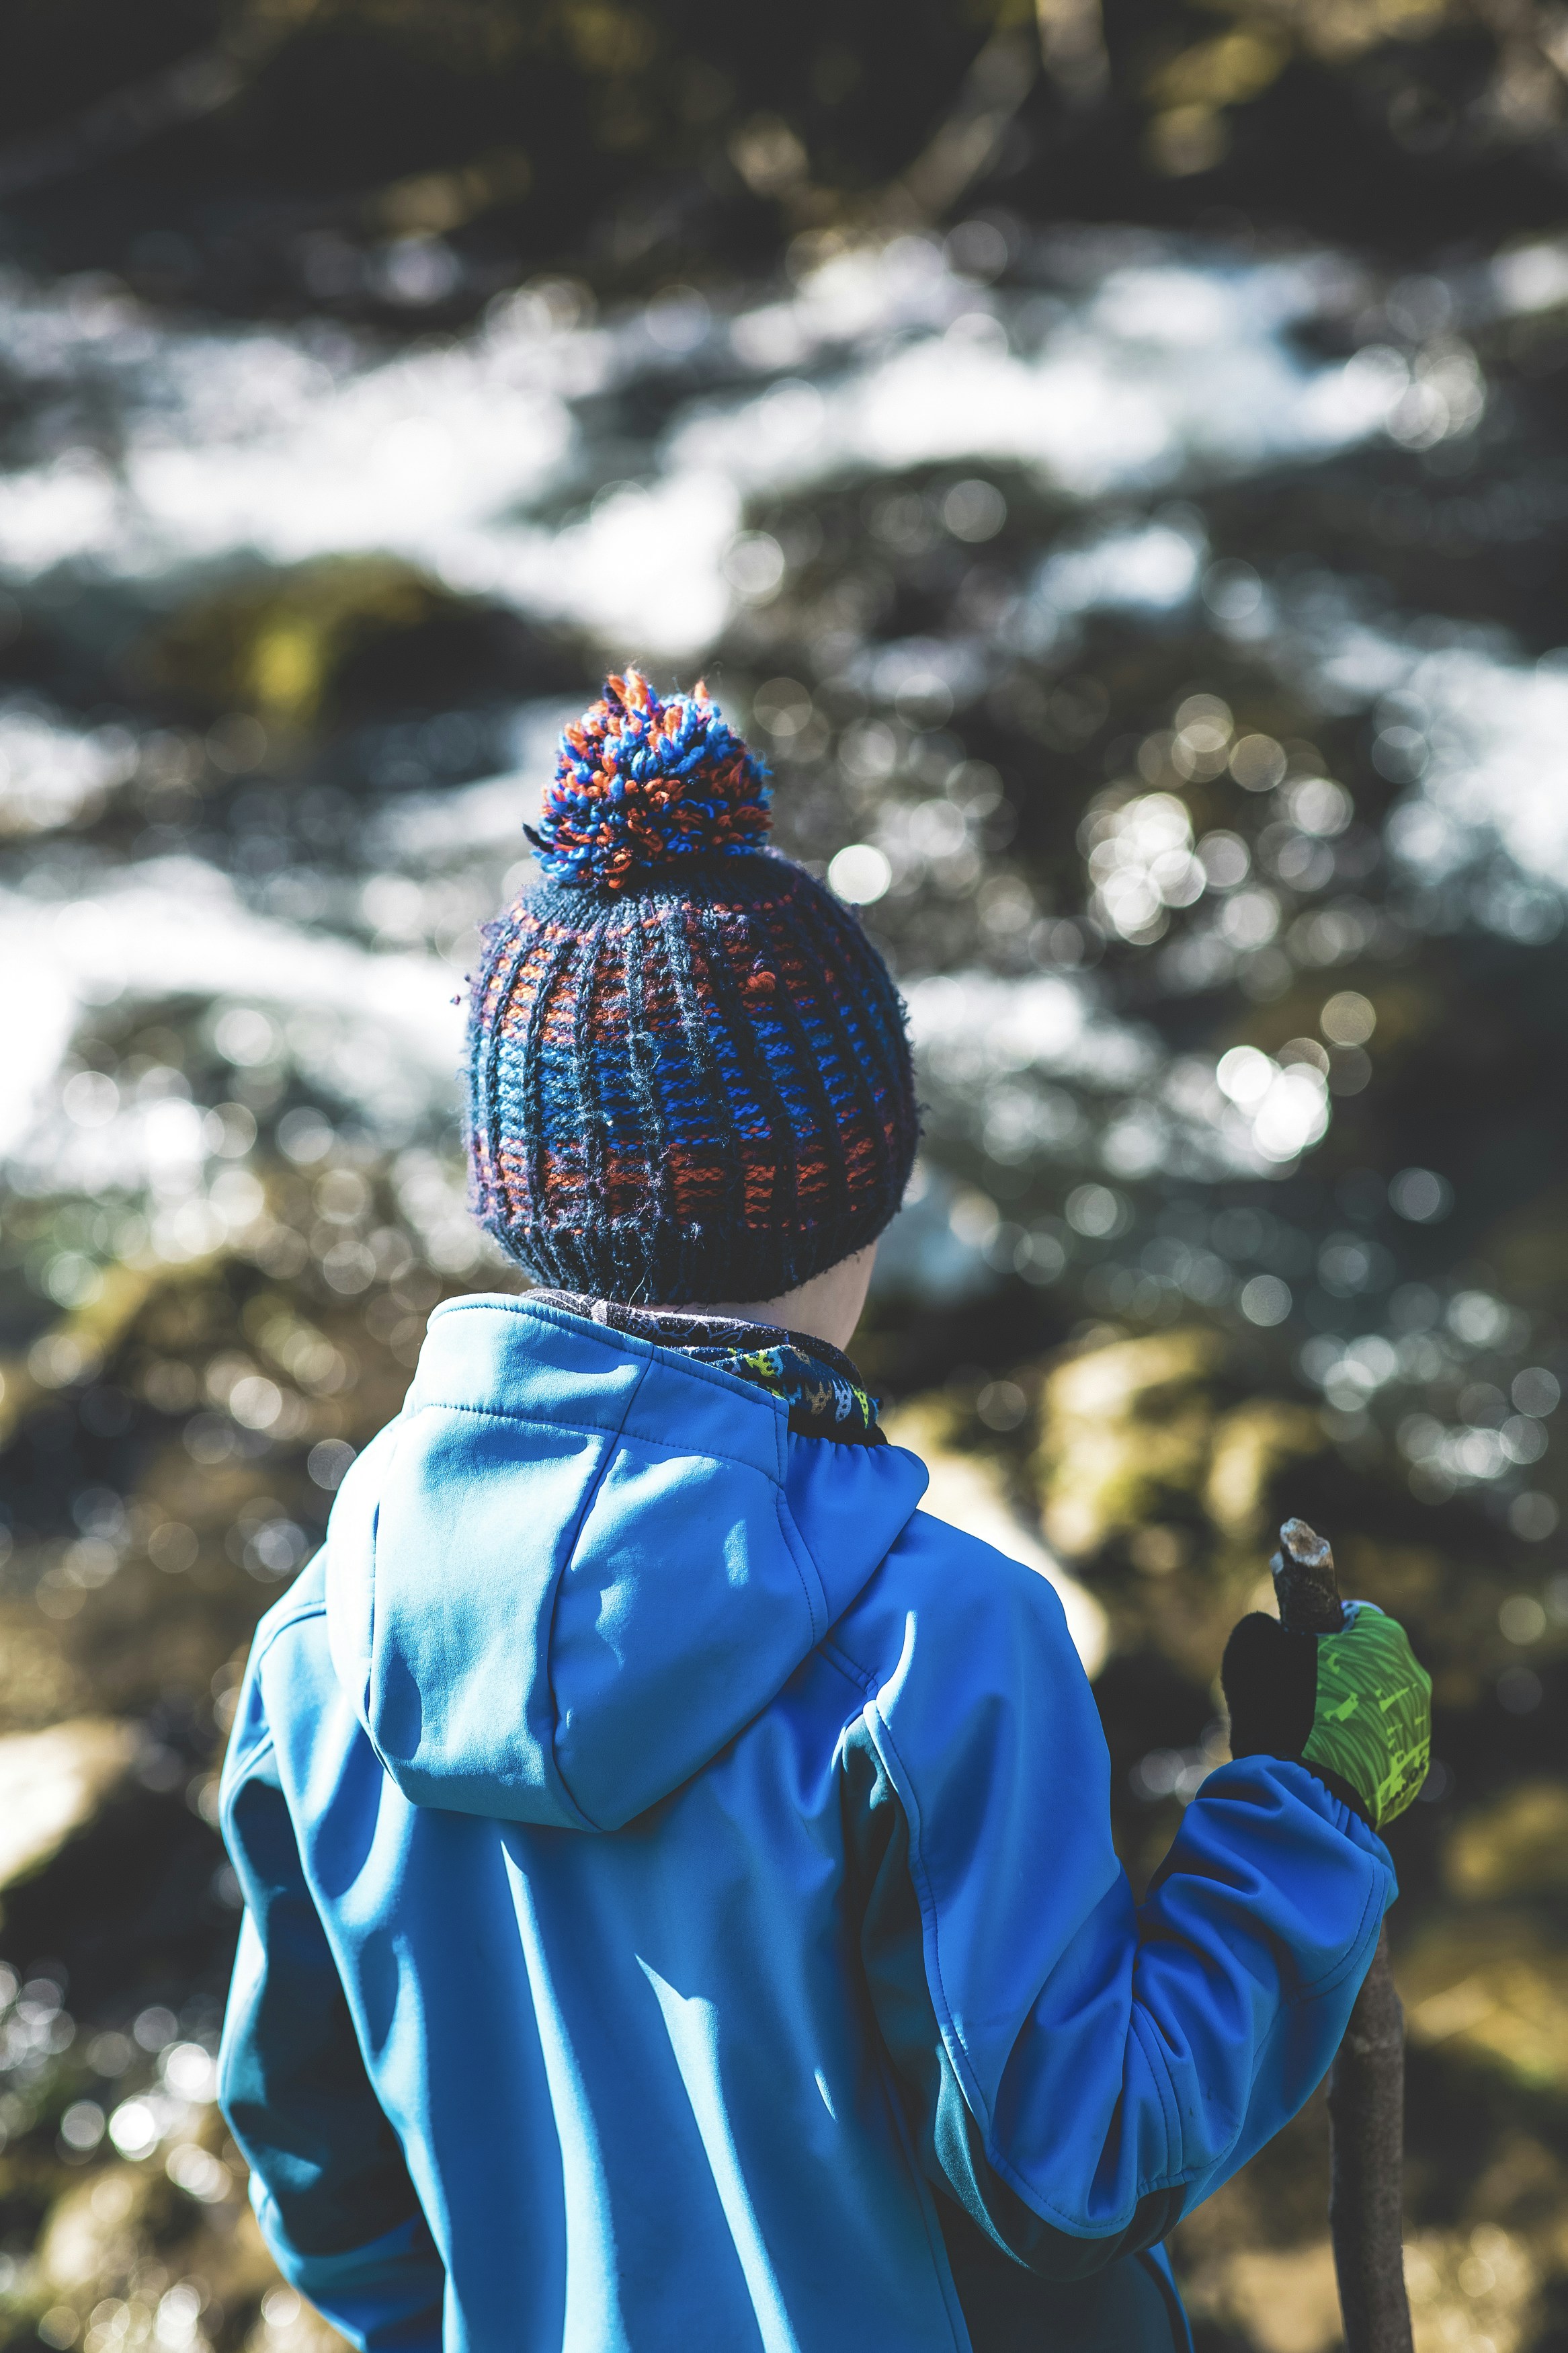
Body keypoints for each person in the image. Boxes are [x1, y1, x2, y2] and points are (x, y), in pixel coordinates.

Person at [217, 670, 1432, 2353]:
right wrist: (1306, 1817)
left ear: (527, 1195)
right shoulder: (938, 1645)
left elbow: (325, 2179)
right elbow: (1072, 2163)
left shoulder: (315, 1654)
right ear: (866, 1176)